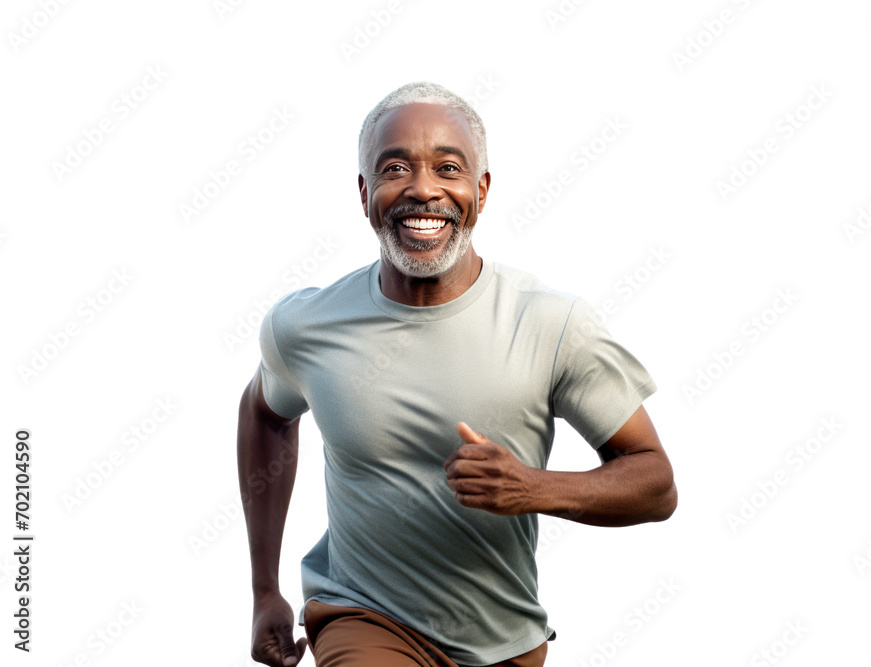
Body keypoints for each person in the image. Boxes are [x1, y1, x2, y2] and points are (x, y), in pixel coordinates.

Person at [236, 81, 677, 667]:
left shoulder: (550, 322)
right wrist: (265, 589)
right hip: (359, 614)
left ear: (481, 190)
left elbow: (655, 483)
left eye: (448, 167)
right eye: (395, 169)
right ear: (365, 193)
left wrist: (533, 488)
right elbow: (264, 415)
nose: (423, 189)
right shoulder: (306, 325)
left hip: (505, 639)